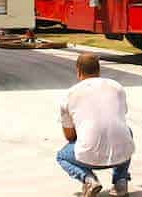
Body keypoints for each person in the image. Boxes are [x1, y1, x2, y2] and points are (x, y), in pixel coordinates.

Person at [57, 53, 134, 197]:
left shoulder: (69, 94)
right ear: (99, 70)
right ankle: (121, 183)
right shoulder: (116, 87)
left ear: (78, 71)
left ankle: (89, 179)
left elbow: (69, 136)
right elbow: (121, 116)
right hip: (121, 155)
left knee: (62, 156)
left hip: (88, 157)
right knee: (126, 132)